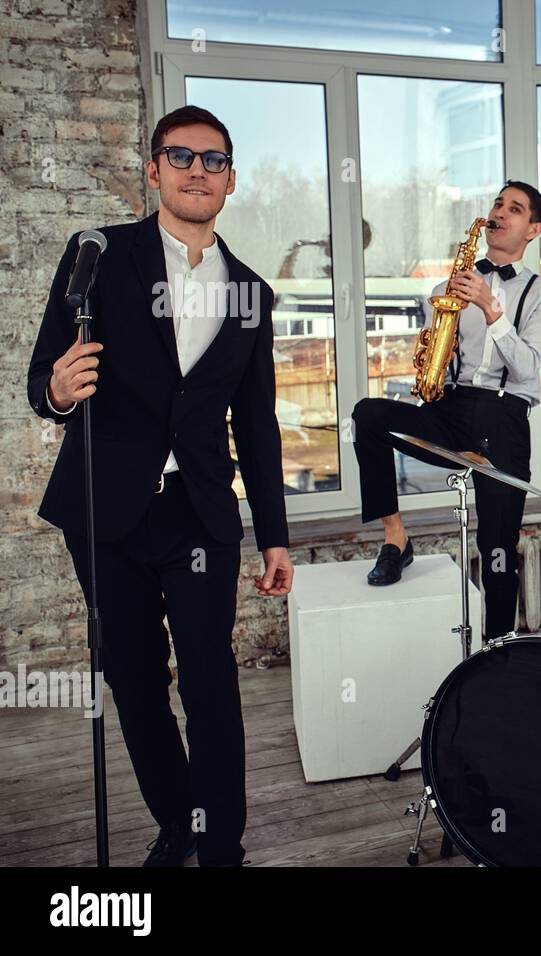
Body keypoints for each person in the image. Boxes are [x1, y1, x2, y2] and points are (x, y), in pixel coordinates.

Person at [26, 105, 293, 866]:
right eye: (181, 157)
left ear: (231, 179)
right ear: (153, 170)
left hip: (199, 512)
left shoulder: (251, 294)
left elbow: (259, 424)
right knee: (135, 681)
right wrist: (59, 391)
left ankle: (221, 848)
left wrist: (272, 534)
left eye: (213, 161)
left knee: (210, 683)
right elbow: (44, 376)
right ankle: (179, 823)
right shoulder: (98, 255)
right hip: (104, 506)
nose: (197, 171)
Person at [350, 182, 541, 642]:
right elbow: (439, 367)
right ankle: (395, 538)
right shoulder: (446, 287)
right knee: (367, 415)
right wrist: (433, 357)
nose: (500, 214)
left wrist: (489, 306)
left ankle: (498, 652)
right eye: (497, 204)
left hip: (504, 419)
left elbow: (527, 366)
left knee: (497, 550)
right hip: (449, 409)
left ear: (534, 229)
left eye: (515, 209)